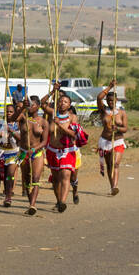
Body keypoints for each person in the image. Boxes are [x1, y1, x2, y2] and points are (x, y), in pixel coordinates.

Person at [40, 85, 81, 213]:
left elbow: (74, 134)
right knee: (56, 179)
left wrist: (60, 125)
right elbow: (42, 103)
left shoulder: (72, 117)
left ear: (69, 105)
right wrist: (53, 91)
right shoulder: (53, 114)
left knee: (66, 175)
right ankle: (58, 201)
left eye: (65, 102)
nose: (62, 103)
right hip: (52, 151)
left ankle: (63, 201)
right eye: (61, 101)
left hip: (67, 151)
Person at [18, 95, 48, 215]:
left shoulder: (43, 122)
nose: (30, 106)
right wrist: (22, 108)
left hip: (37, 153)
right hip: (23, 152)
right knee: (26, 179)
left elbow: (44, 141)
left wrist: (35, 149)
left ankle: (32, 205)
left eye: (32, 104)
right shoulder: (23, 118)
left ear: (38, 106)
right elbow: (12, 119)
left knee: (35, 178)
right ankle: (31, 203)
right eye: (29, 104)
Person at [96, 80, 127, 195]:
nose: (110, 102)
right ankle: (112, 186)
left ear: (116, 100)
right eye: (108, 100)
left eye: (112, 100)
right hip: (105, 142)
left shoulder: (121, 113)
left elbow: (125, 128)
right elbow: (99, 98)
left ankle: (115, 186)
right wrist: (109, 86)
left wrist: (117, 129)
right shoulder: (103, 111)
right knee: (109, 165)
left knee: (115, 164)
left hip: (118, 141)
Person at [0, 103, 22, 207]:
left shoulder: (18, 124)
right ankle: (7, 192)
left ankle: (8, 197)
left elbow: (21, 139)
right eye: (7, 112)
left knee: (10, 174)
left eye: (11, 112)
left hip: (14, 152)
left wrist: (11, 132)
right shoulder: (0, 123)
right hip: (2, 152)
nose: (9, 114)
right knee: (5, 176)